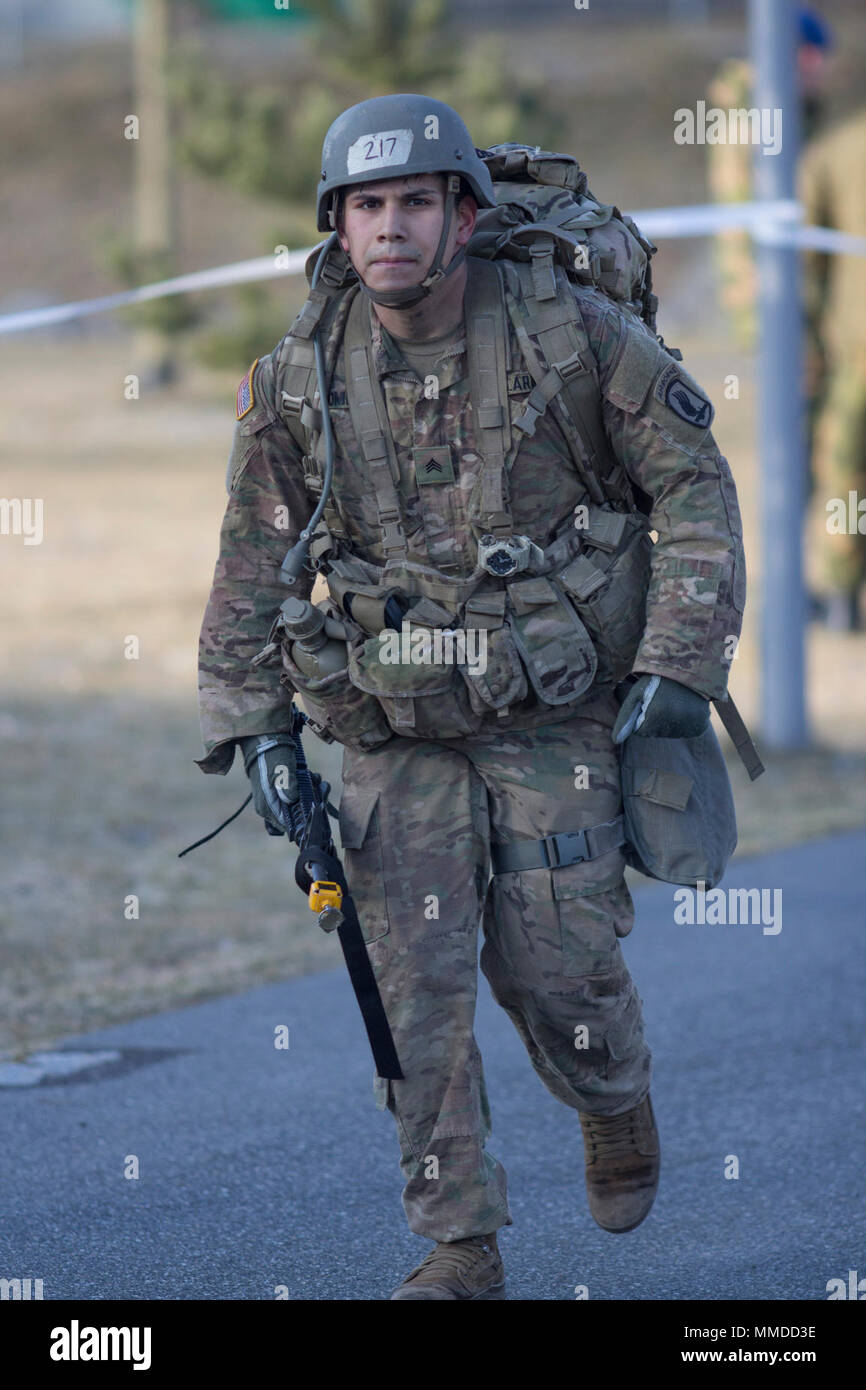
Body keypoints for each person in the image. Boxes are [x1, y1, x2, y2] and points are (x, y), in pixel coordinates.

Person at [196, 94, 746, 1300]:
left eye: (413, 202)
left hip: (550, 706)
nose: (388, 227)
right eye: (365, 206)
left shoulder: (570, 333)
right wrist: (256, 727)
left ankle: (612, 1096)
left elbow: (693, 488)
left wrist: (677, 663)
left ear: (462, 215)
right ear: (337, 226)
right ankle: (460, 1243)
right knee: (414, 987)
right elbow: (252, 555)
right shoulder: (299, 376)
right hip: (393, 719)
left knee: (557, 971)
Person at [799, 105, 866, 631]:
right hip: (852, 344)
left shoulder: (839, 147)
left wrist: (813, 338)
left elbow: (806, 262)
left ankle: (843, 596)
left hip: (854, 343)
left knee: (846, 469)